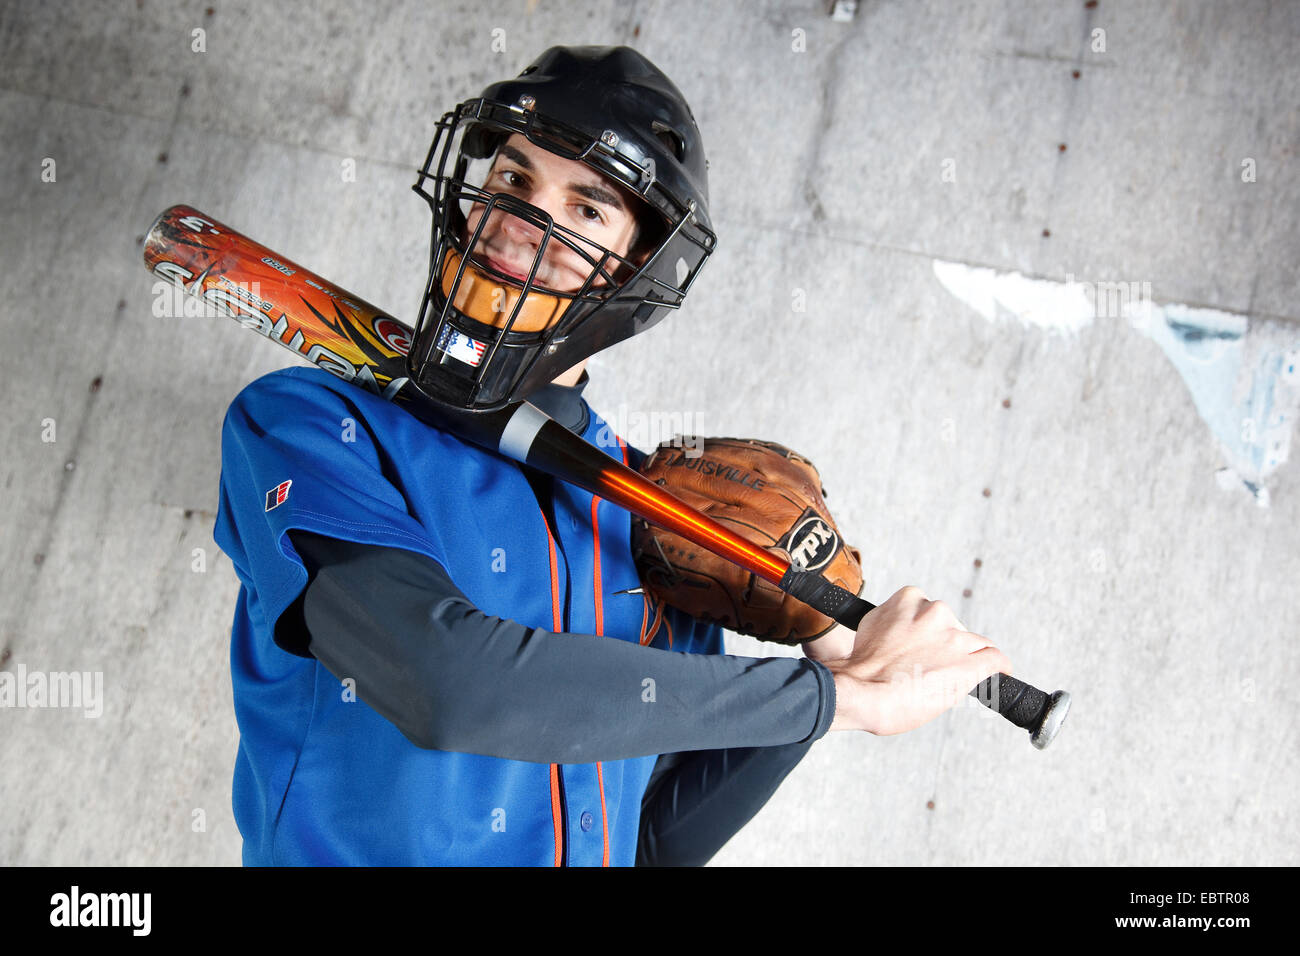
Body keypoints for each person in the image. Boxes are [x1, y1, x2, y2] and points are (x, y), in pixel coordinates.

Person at [213, 45, 1011, 867]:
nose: (526, 220)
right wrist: (837, 700)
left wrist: (822, 647)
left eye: (587, 209)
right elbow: (445, 682)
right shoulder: (311, 425)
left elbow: (654, 844)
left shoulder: (659, 519)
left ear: (636, 274)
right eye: (515, 180)